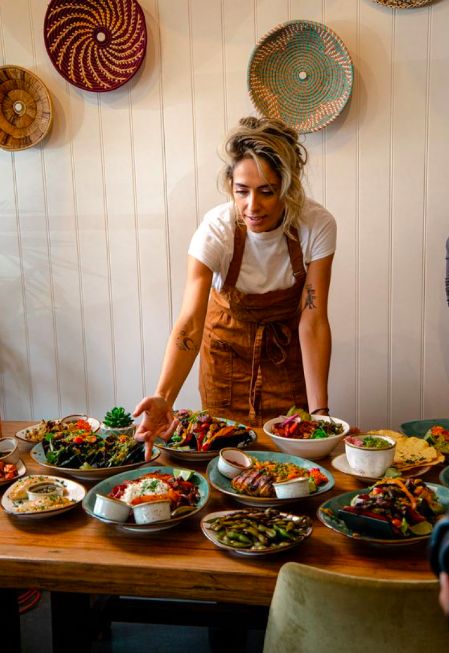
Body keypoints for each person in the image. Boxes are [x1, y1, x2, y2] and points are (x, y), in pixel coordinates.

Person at [134, 116, 336, 459]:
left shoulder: (316, 225)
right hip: (225, 358)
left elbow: (313, 319)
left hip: (284, 359)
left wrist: (320, 413)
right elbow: (190, 323)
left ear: (289, 188)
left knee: (288, 461)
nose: (252, 206)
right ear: (231, 186)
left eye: (267, 191)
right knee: (222, 457)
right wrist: (163, 397)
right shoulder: (217, 229)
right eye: (242, 191)